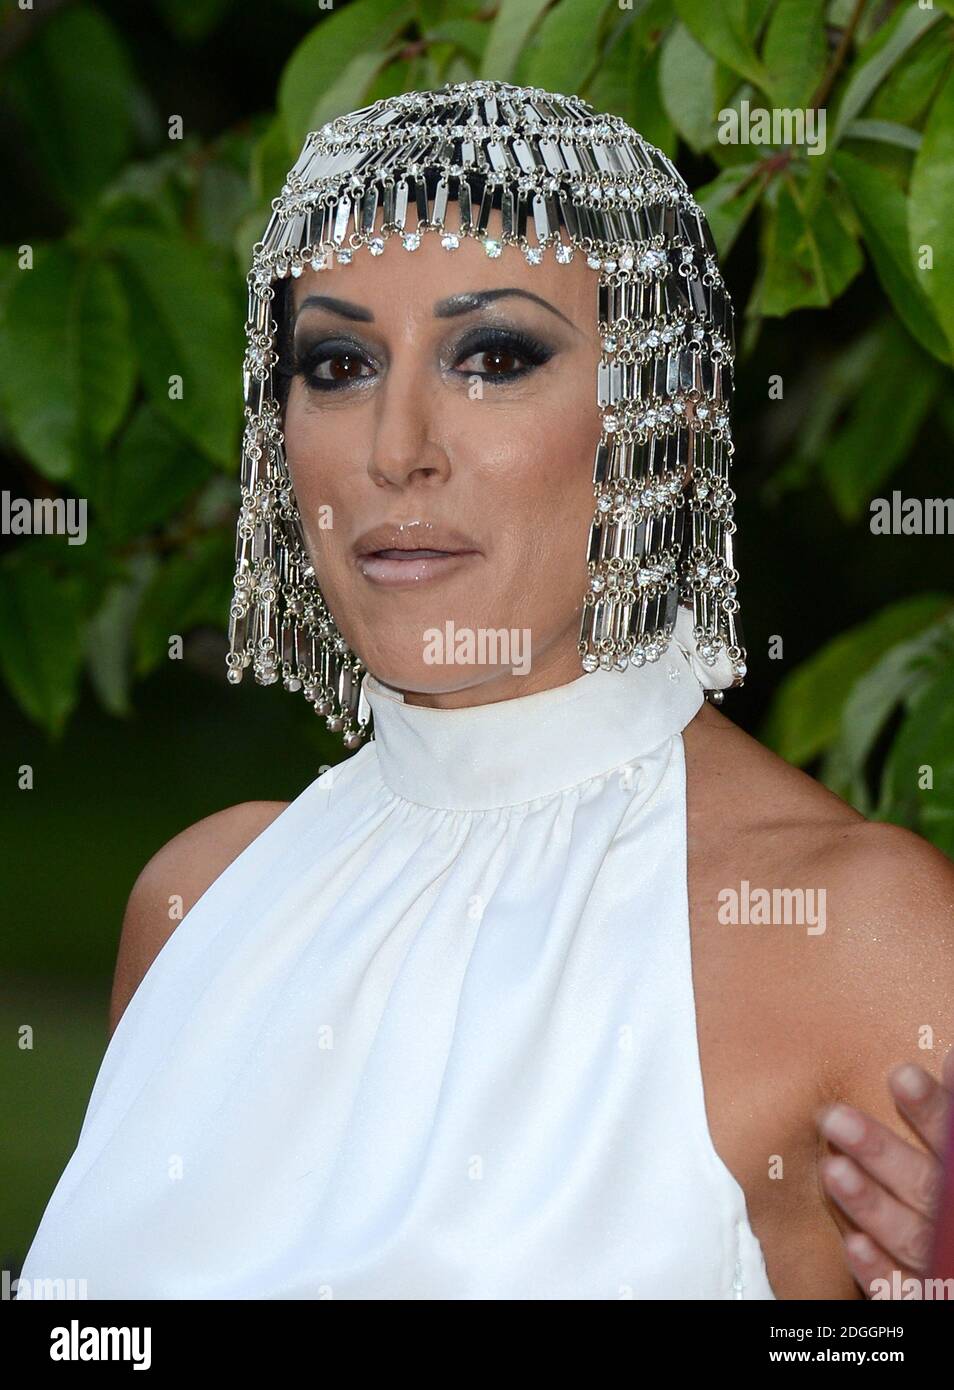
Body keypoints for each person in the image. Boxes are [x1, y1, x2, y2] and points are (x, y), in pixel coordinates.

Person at [17, 79, 953, 1301]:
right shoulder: (201, 898)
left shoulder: (856, 934)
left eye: (494, 355)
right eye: (339, 362)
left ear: (657, 413)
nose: (397, 445)